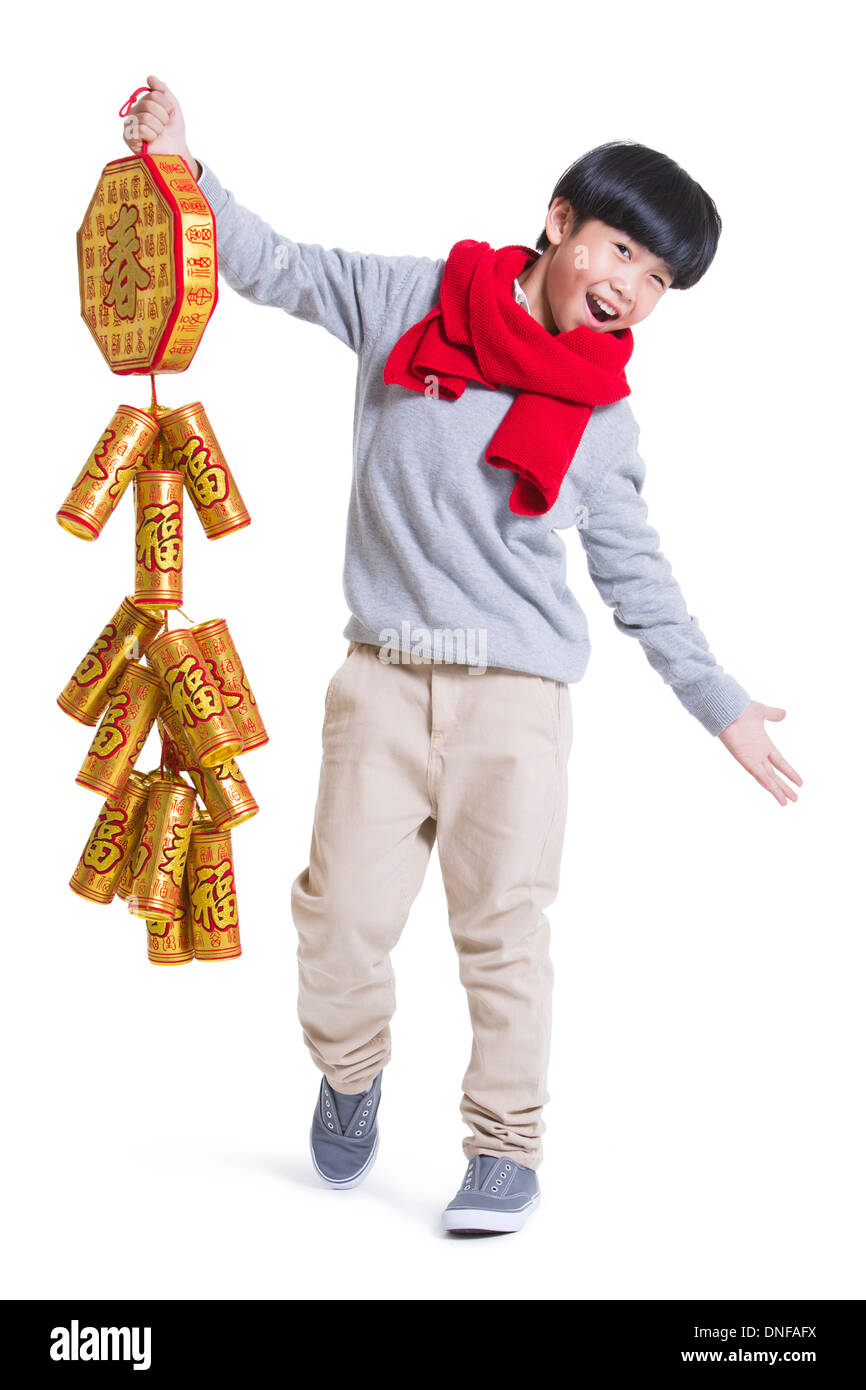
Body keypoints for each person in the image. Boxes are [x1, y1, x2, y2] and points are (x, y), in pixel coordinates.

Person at [123, 76, 802, 1236]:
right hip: (380, 679)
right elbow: (273, 263)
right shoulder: (409, 302)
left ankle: (505, 1149)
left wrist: (718, 700)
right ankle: (349, 1074)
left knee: (503, 940)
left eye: (656, 280)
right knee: (335, 924)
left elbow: (634, 576)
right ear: (557, 222)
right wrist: (182, 162)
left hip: (515, 706)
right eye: (621, 250)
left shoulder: (602, 421)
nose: (628, 289)